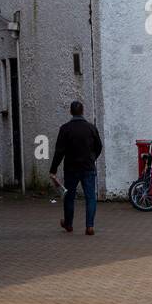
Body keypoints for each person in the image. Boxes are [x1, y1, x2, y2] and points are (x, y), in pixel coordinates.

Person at [49, 100, 103, 235]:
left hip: (71, 168)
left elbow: (59, 151)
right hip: (88, 167)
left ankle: (68, 224)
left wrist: (53, 169)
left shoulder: (65, 129)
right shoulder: (91, 128)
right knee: (90, 197)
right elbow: (99, 147)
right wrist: (92, 158)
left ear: (70, 112)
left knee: (69, 197)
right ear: (83, 111)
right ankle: (89, 226)